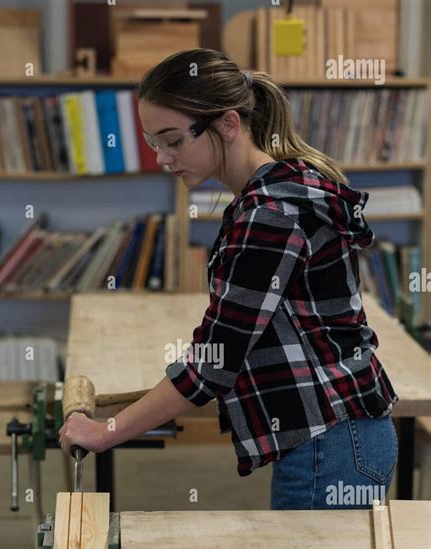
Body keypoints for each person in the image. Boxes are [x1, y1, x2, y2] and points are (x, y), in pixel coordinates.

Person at [59, 48, 399, 509]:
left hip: (332, 443)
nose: (161, 157)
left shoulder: (270, 216)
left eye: (173, 140)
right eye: (153, 142)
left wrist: (104, 431)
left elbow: (212, 366)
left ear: (228, 125)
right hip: (340, 434)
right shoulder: (280, 188)